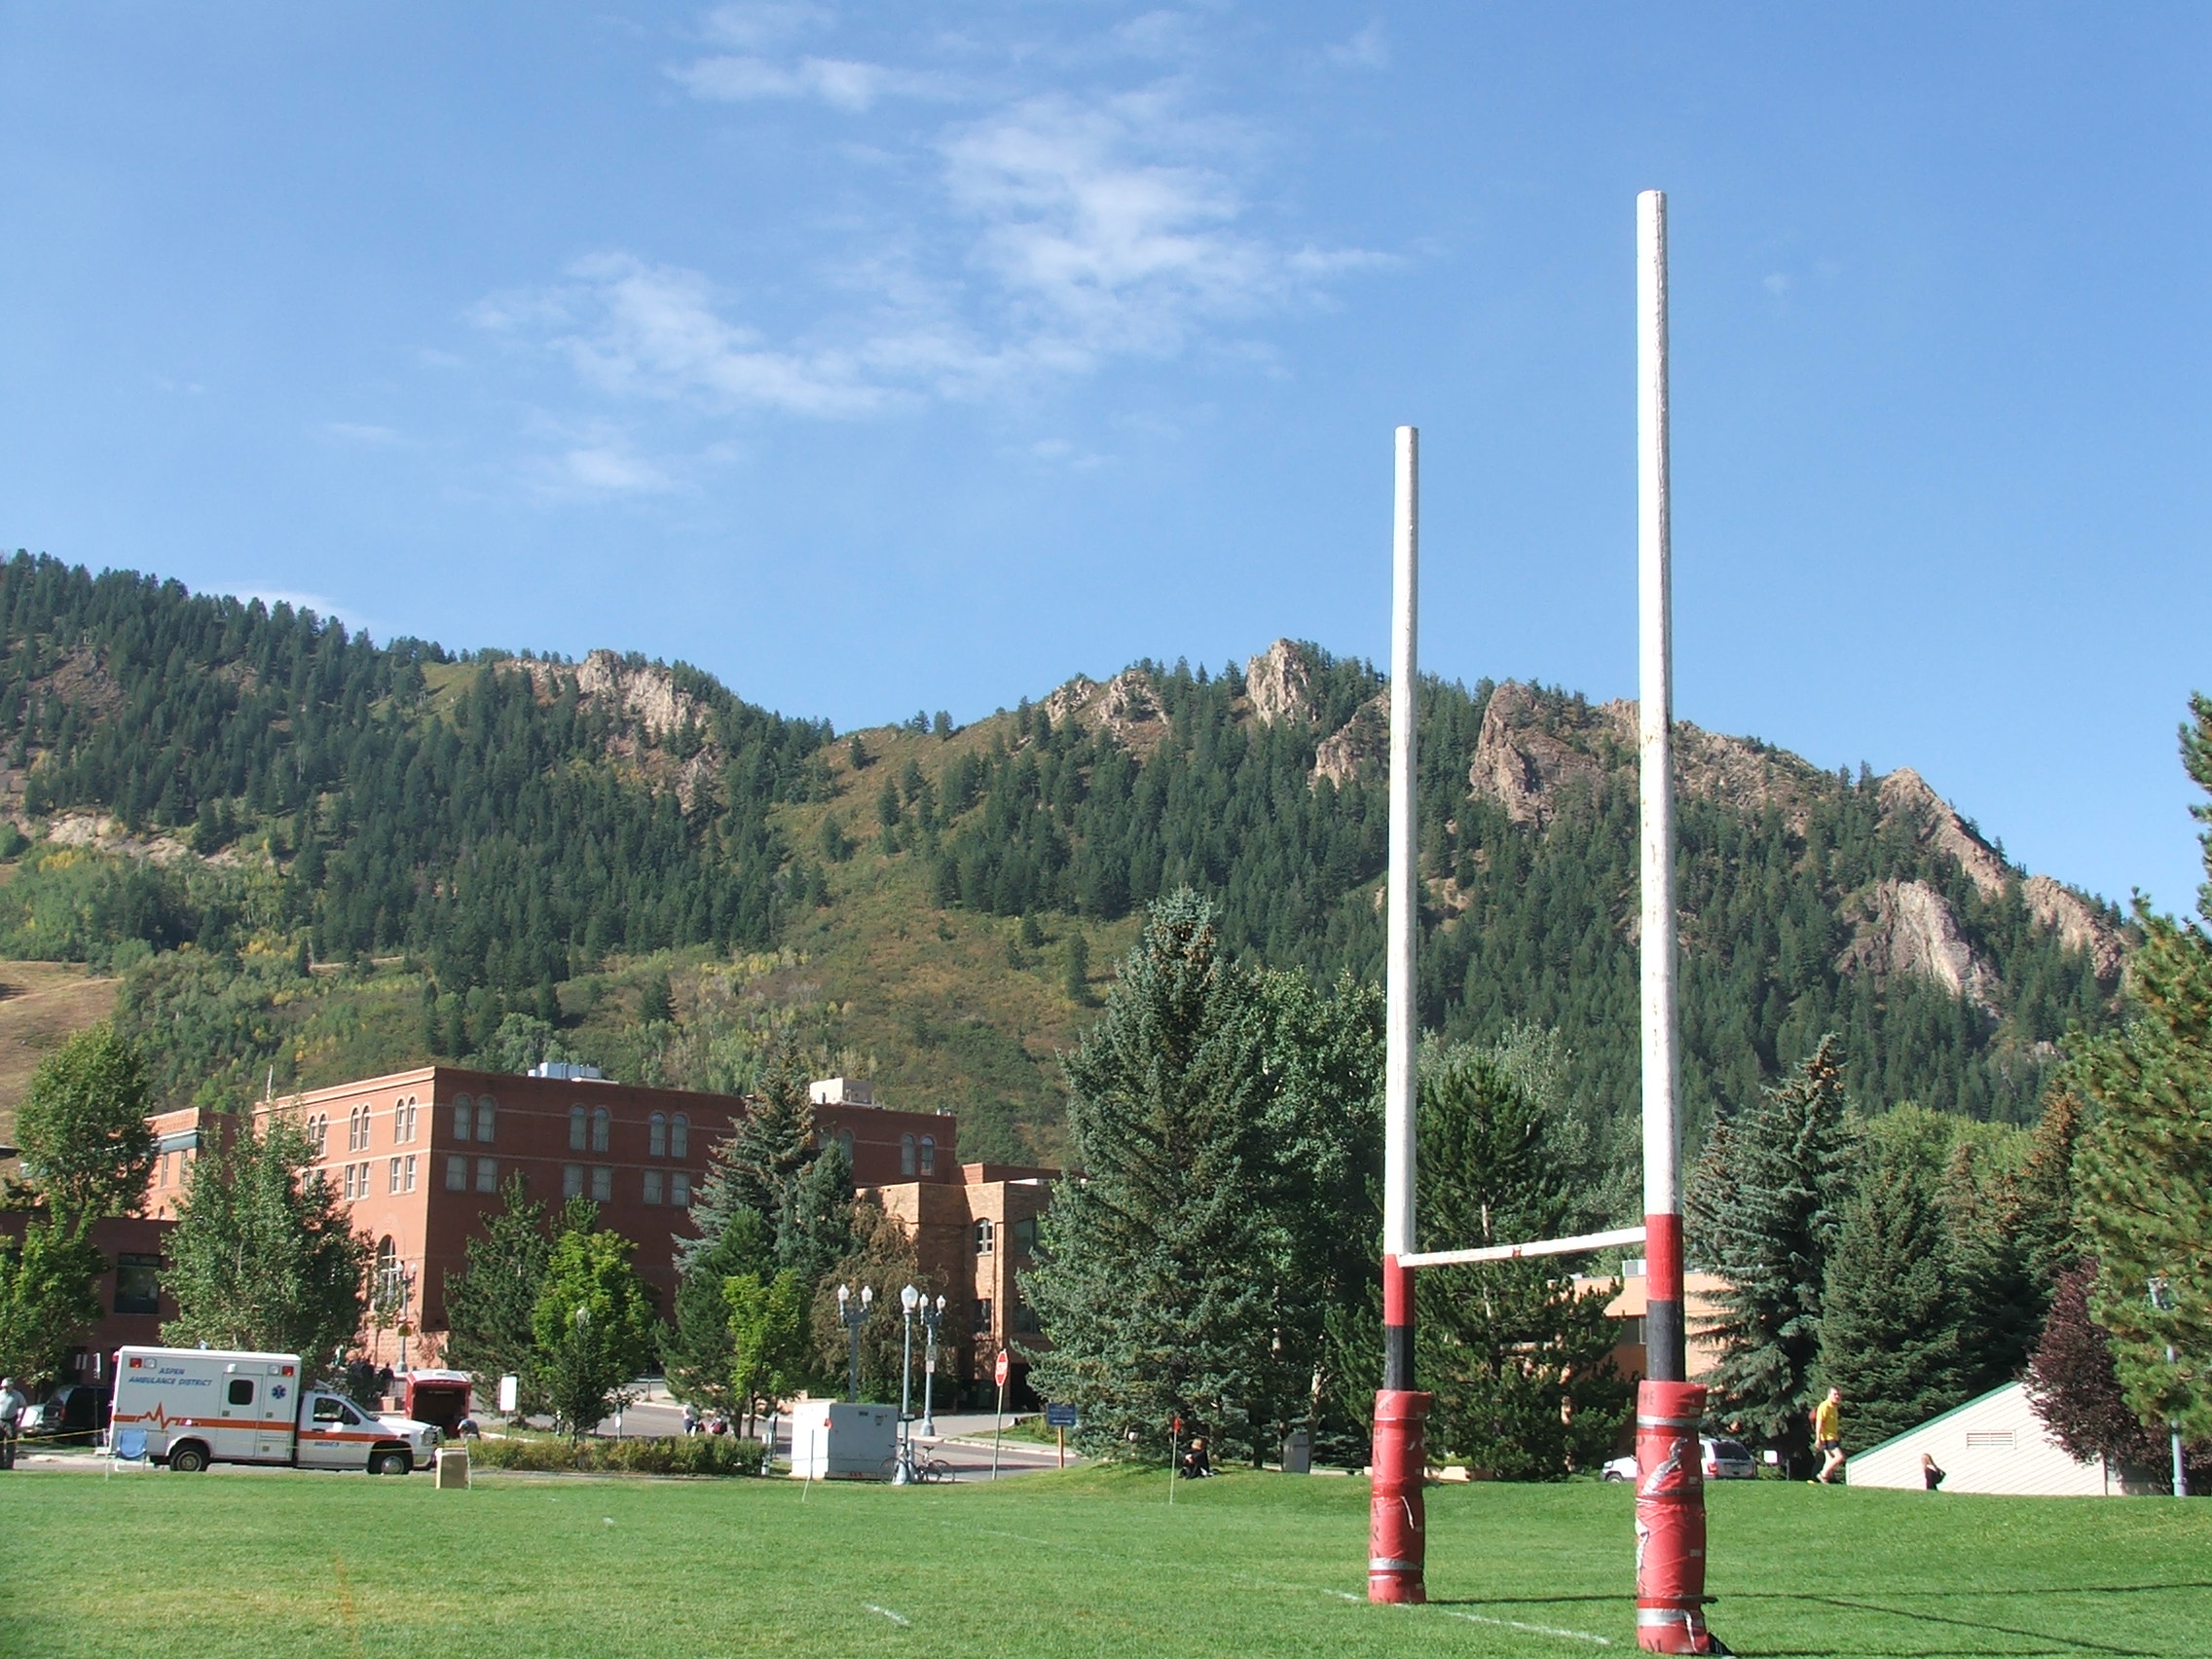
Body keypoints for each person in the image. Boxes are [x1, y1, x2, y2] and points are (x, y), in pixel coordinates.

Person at [1811, 1387, 1845, 1485]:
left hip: (1833, 1437)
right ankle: (1823, 1474)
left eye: (1838, 1394)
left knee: (1829, 1459)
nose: (1837, 1396)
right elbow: (1819, 1423)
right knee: (1839, 1457)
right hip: (1827, 1437)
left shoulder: (1834, 1407)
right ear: (1829, 1395)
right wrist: (1818, 1438)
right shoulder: (1824, 1406)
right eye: (1835, 1394)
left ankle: (1825, 1480)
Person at [0, 1377, 25, 1470]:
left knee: (10, 1444)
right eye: (3, 1387)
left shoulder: (17, 1395)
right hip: (0, 1420)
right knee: (0, 1443)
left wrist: (20, 1420)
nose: (5, 1388)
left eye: (7, 1387)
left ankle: (8, 1465)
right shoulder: (0, 1394)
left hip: (11, 1420)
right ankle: (0, 1464)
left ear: (11, 1386)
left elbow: (24, 1406)